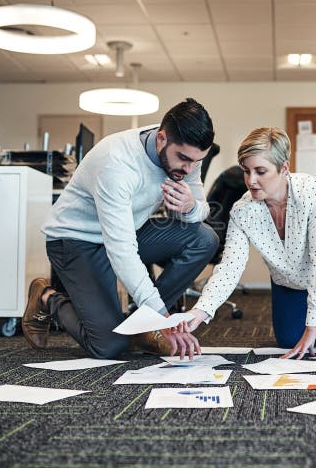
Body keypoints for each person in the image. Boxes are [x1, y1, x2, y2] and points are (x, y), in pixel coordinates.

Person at [22, 98, 220, 359]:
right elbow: (122, 250)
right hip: (76, 241)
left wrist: (190, 207)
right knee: (109, 347)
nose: (190, 168)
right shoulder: (116, 163)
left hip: (128, 231)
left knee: (205, 239)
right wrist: (163, 319)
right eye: (183, 159)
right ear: (161, 139)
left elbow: (201, 211)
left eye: (197, 161)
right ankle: (48, 297)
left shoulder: (189, 153)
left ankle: (141, 325)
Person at [184, 127, 316, 358]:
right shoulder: (242, 210)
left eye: (260, 171)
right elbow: (230, 267)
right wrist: (200, 311)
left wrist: (312, 327)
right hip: (289, 275)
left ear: (284, 168)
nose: (251, 181)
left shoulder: (311, 191)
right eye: (246, 171)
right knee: (287, 340)